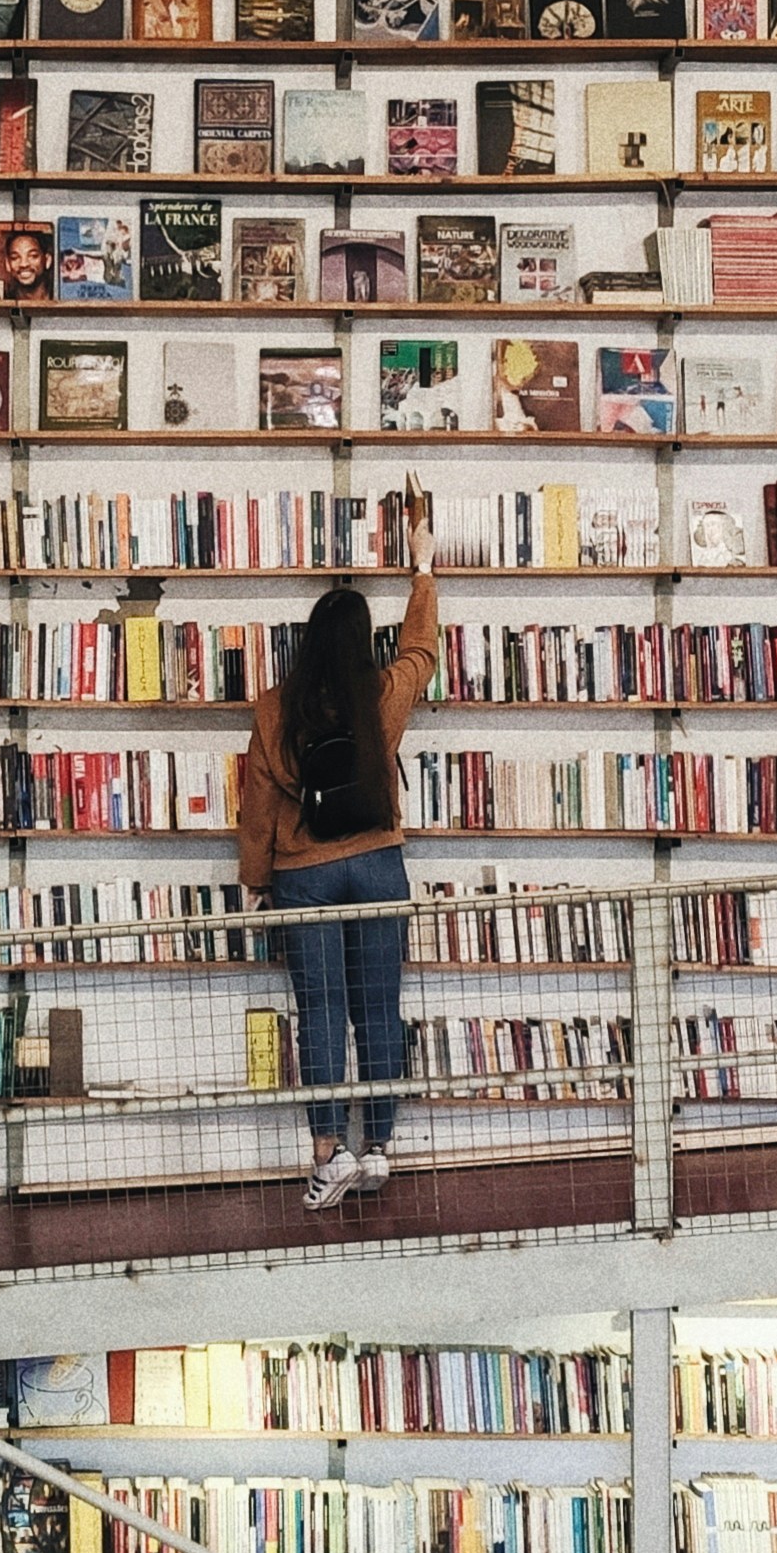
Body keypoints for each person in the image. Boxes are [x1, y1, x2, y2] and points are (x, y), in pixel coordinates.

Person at [237, 516, 437, 1211]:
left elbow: (256, 803)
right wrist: (422, 570)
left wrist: (255, 880)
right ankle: (379, 1149)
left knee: (319, 1011)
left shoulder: (272, 709)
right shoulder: (381, 695)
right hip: (378, 865)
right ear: (360, 643)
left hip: (305, 873)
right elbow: (421, 647)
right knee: (379, 1010)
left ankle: (329, 1154)